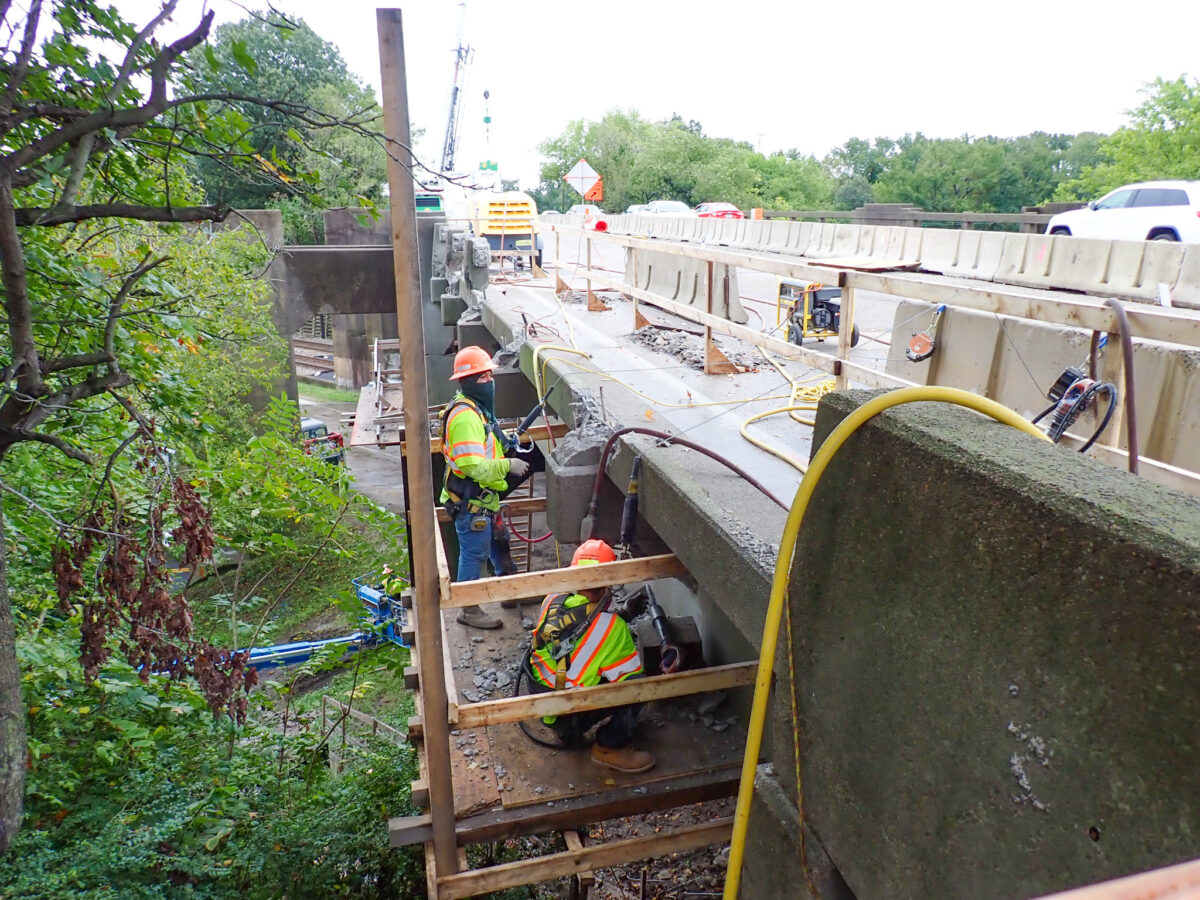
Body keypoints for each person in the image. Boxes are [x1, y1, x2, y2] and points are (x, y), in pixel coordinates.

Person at [526, 539, 655, 774]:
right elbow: (630, 684)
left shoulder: (551, 599)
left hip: (545, 704)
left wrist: (624, 614)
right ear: (608, 583)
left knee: (584, 665)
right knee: (640, 688)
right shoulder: (613, 628)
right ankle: (610, 748)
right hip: (570, 714)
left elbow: (577, 629)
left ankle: (566, 733)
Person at [440, 345, 529, 630]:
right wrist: (508, 465)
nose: (489, 381)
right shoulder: (465, 417)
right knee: (474, 552)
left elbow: (485, 443)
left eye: (490, 375)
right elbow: (473, 466)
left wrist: (505, 441)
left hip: (484, 497)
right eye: (482, 377)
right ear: (467, 381)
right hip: (471, 501)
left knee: (497, 541)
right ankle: (468, 608)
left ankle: (510, 590)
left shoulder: (476, 409)